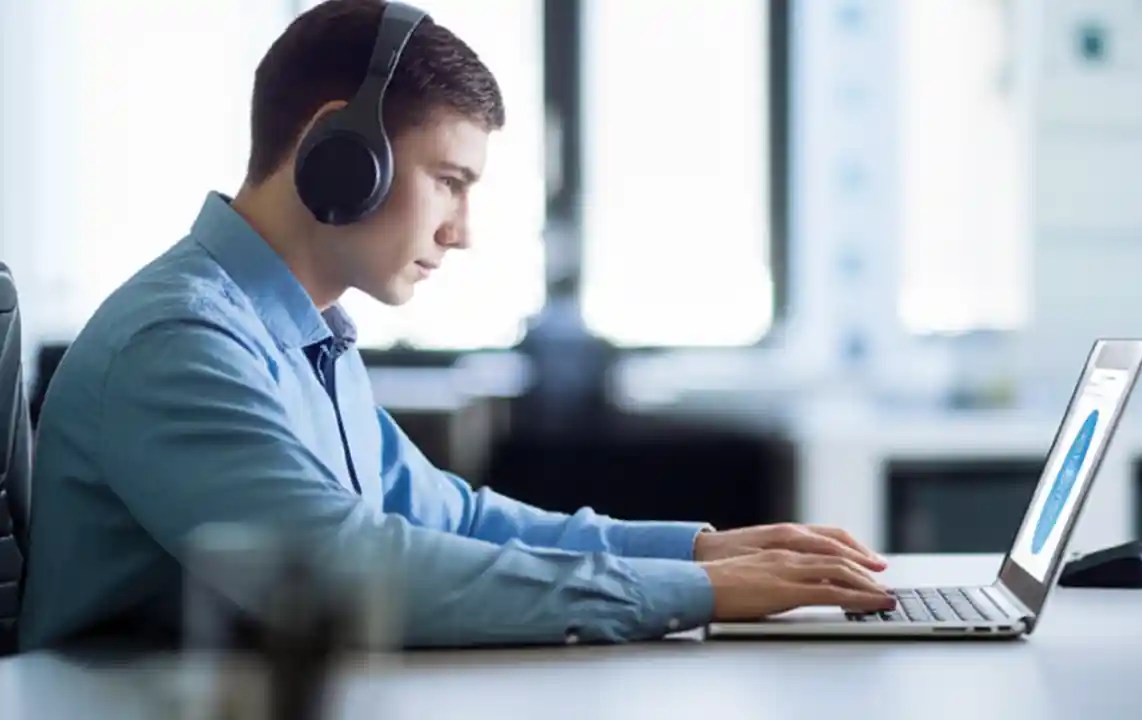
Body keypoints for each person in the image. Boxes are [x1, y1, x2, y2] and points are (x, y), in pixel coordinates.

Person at [18, 0, 895, 651]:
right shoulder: (181, 344)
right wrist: (697, 592)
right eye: (449, 180)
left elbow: (453, 521)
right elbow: (351, 572)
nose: (461, 230)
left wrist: (700, 549)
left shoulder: (300, 337)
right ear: (339, 154)